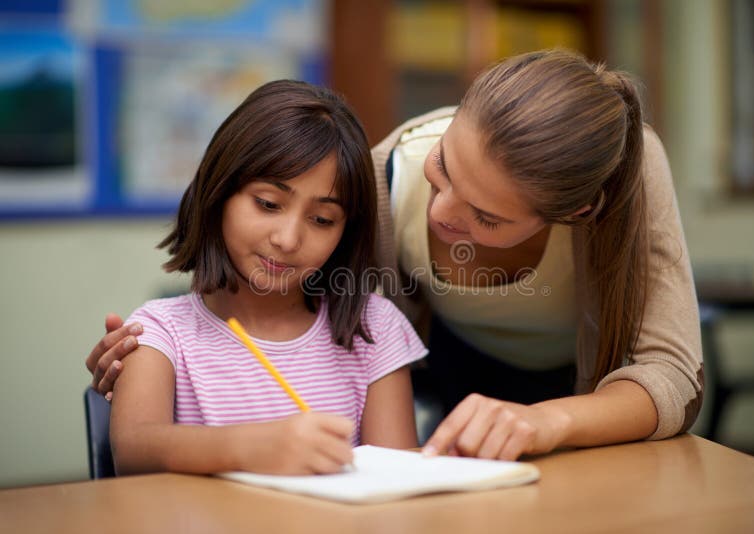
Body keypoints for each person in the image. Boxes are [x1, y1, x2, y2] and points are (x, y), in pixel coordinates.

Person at [88, 50, 702, 462]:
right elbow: (248, 286)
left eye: (486, 217)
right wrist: (145, 361)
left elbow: (673, 375)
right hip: (450, 382)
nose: (439, 215)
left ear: (576, 215)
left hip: (576, 400)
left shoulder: (627, 178)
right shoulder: (376, 184)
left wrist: (548, 421)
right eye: (444, 167)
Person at [106, 80, 427, 477]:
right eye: (268, 204)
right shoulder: (161, 330)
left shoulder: (374, 328)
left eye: (322, 220)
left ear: (346, 231)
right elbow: (133, 450)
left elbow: (397, 479)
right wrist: (252, 446)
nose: (288, 239)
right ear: (219, 191)